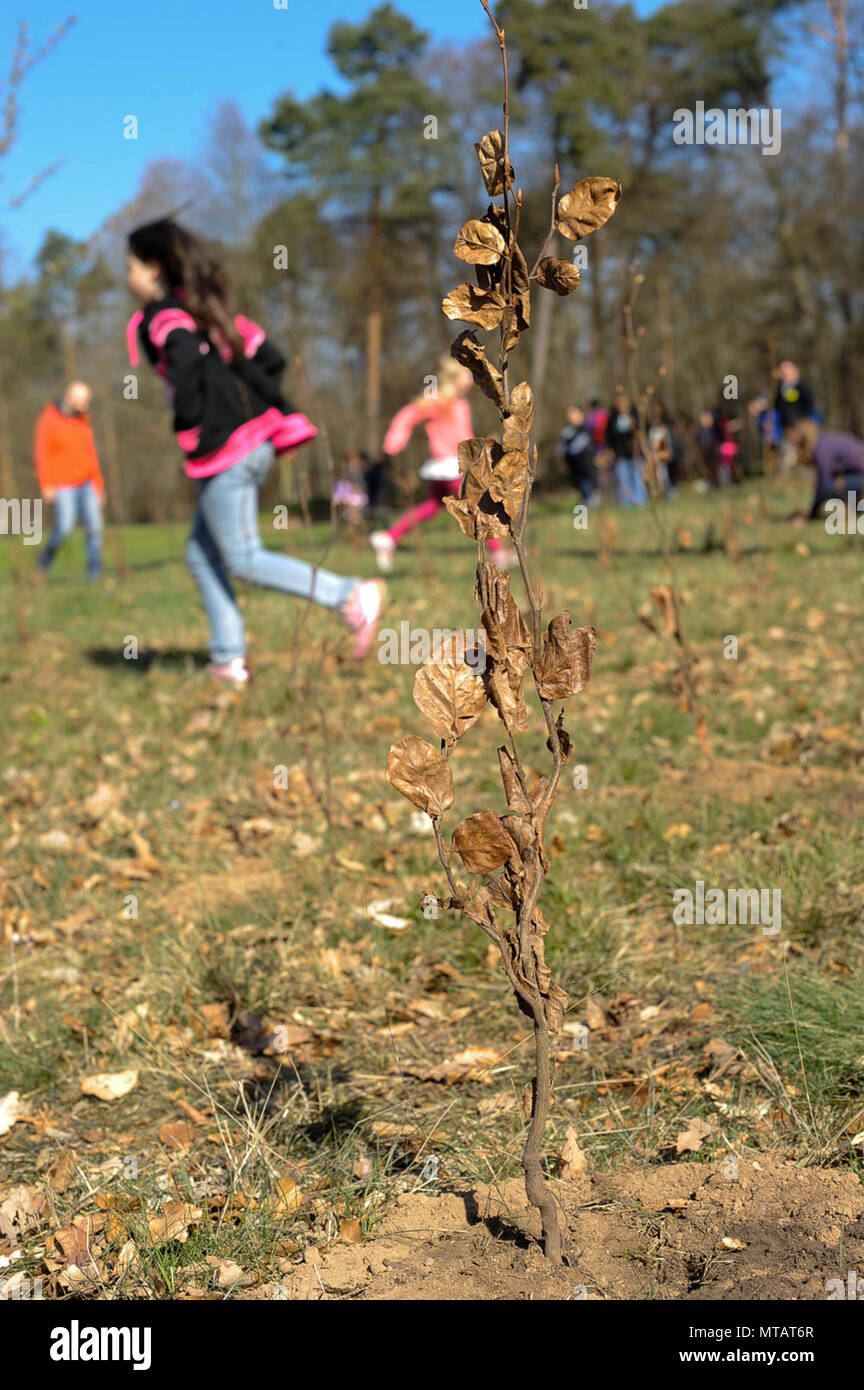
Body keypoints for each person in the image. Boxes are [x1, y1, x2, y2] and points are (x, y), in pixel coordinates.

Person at [125, 219, 383, 683]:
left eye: (132, 268)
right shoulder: (211, 316)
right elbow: (270, 356)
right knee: (202, 555)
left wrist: (189, 419)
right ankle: (227, 659)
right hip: (254, 442)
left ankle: (349, 594)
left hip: (229, 451)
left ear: (155, 269)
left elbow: (183, 363)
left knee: (242, 557)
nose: (128, 279)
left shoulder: (165, 317)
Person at [370, 356, 516, 571]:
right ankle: (499, 553)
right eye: (467, 375)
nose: (471, 379)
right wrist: (393, 443)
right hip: (450, 467)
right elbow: (408, 415)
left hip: (451, 467)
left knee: (430, 507)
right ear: (455, 378)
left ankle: (389, 537)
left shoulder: (459, 404)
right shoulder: (440, 402)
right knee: (479, 506)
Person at [34, 380, 105, 580]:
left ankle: (94, 574)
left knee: (95, 527)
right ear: (70, 398)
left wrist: (99, 486)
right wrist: (45, 484)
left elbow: (92, 456)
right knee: (64, 528)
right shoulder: (48, 419)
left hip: (87, 482)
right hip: (62, 483)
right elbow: (42, 454)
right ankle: (43, 562)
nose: (85, 404)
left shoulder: (83, 422)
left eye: (87, 400)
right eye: (82, 400)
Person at [793, 420, 864, 520]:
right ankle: (857, 505)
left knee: (828, 487)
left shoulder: (821, 449)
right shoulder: (826, 440)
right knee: (836, 482)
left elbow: (823, 485)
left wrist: (812, 514)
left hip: (860, 478)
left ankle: (857, 504)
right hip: (857, 476)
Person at [606, 392, 646, 506]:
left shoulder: (636, 415)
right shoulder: (612, 418)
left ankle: (640, 503)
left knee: (638, 479)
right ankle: (626, 505)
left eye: (623, 402)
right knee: (623, 480)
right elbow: (609, 436)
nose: (621, 405)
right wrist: (611, 450)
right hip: (620, 455)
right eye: (618, 403)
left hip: (637, 453)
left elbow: (643, 431)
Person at [557, 406, 598, 507]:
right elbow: (560, 447)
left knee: (588, 486)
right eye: (569, 415)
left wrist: (568, 448)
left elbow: (576, 447)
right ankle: (586, 504)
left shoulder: (586, 428)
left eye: (573, 414)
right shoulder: (567, 431)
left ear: (580, 414)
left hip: (586, 465)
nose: (570, 417)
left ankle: (592, 505)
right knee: (581, 486)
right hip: (574, 466)